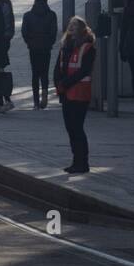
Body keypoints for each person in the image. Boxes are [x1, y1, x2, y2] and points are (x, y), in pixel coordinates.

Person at [54, 16, 96, 173]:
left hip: (79, 93)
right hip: (66, 93)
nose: (71, 27)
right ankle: (75, 161)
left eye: (75, 25)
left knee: (77, 128)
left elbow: (84, 70)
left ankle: (82, 162)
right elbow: (58, 66)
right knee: (70, 129)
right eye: (70, 25)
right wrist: (58, 82)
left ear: (82, 29)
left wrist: (65, 83)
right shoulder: (65, 46)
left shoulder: (87, 47)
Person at [21, 0, 58, 108]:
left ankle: (36, 101)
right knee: (45, 72)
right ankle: (45, 96)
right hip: (46, 48)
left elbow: (24, 32)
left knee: (35, 73)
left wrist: (29, 42)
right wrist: (49, 43)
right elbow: (53, 32)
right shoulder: (52, 15)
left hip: (33, 47)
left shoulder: (28, 15)